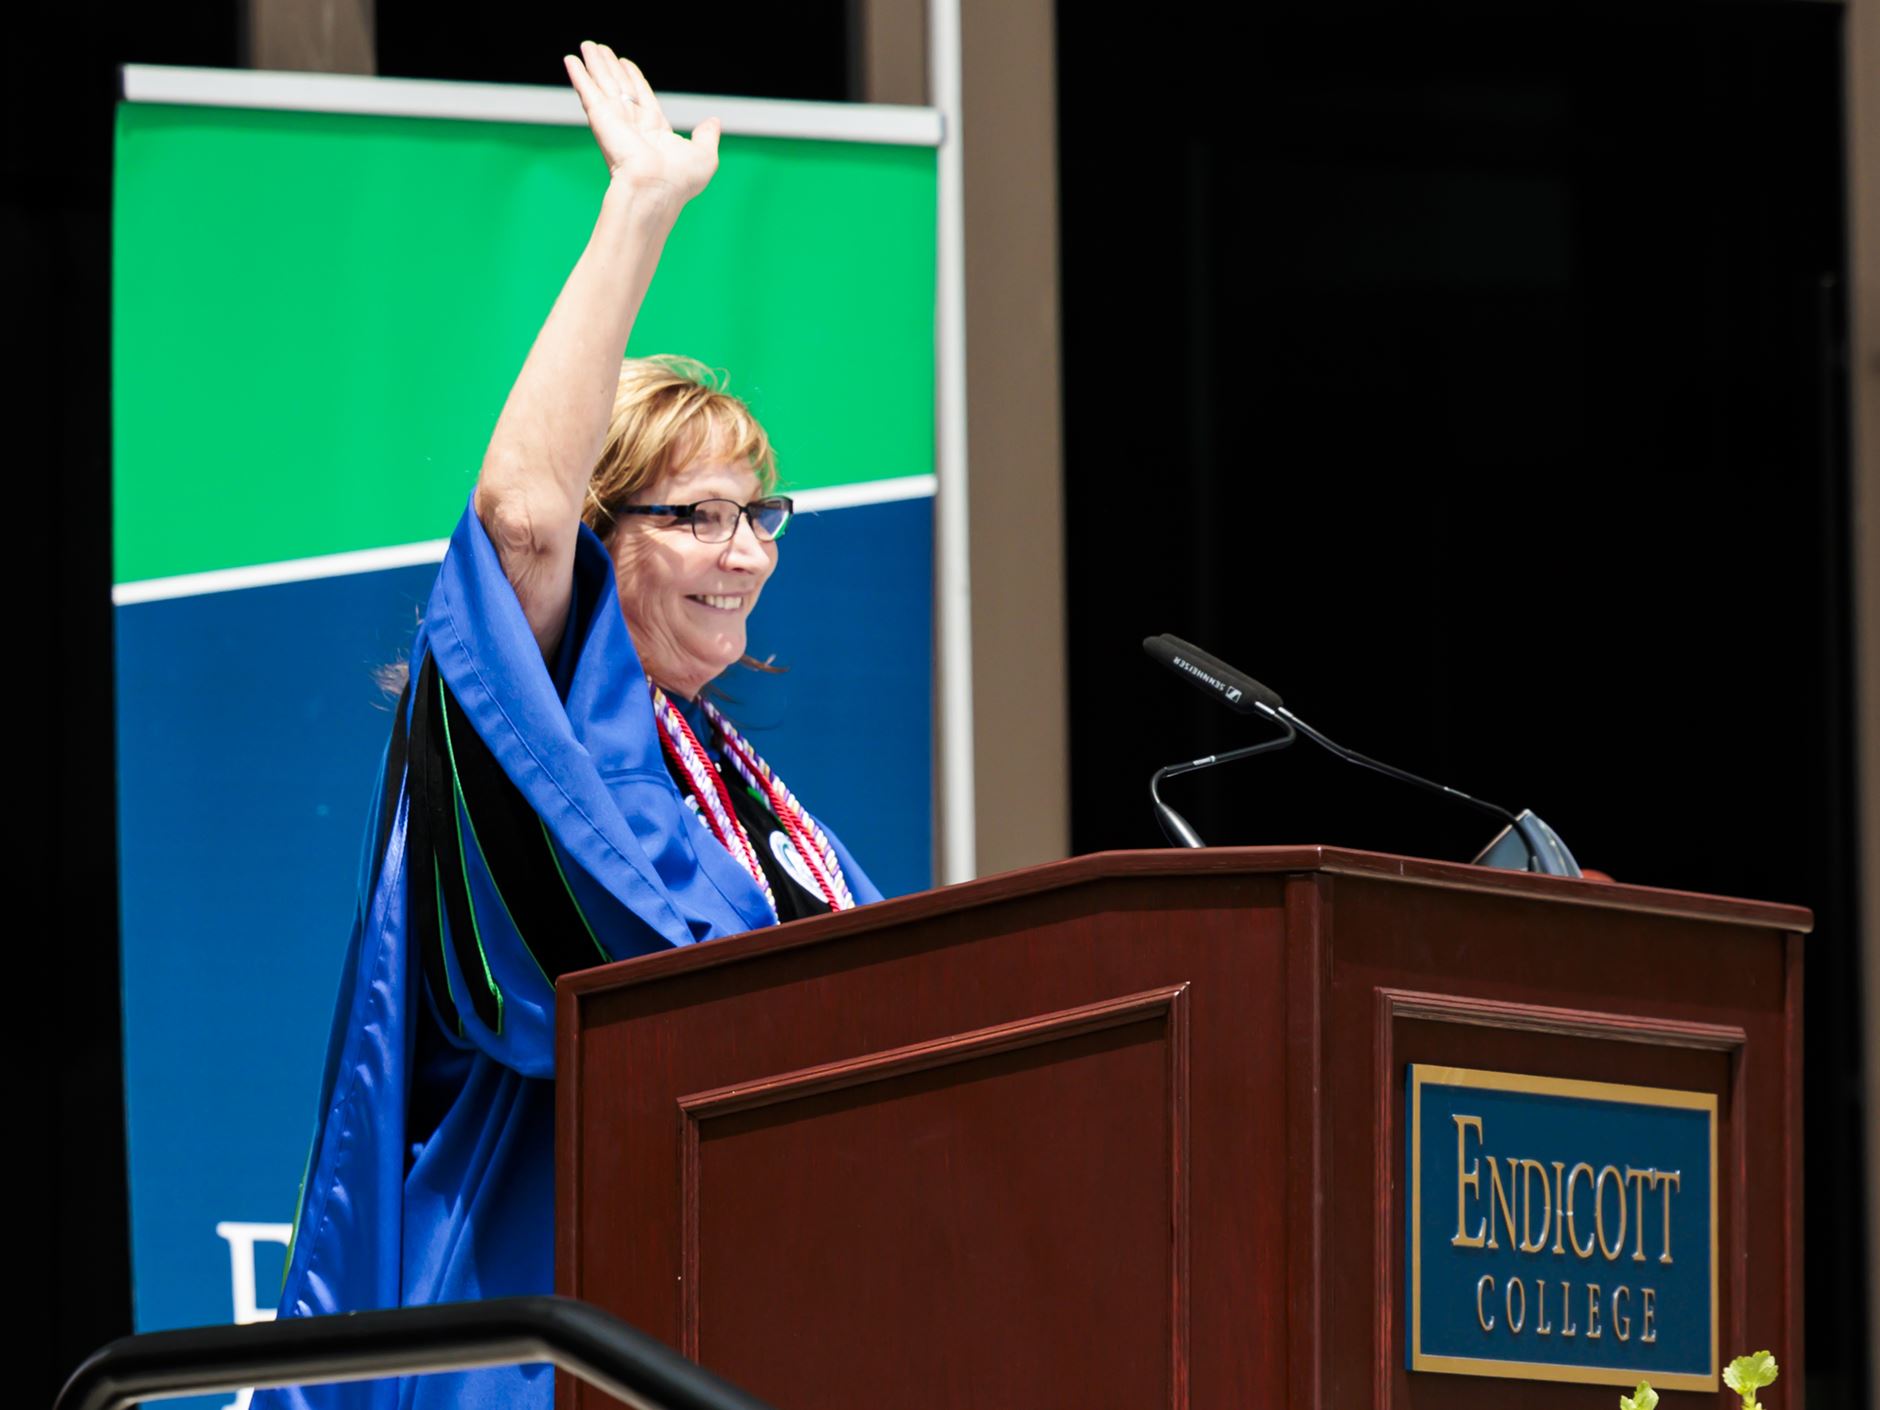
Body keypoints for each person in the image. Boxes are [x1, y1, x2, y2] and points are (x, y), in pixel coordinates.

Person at [254, 43, 881, 1410]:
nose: (744, 553)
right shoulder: (566, 717)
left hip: (738, 1318)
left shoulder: (760, 799)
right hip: (547, 1328)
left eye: (757, 514)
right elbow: (522, 515)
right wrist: (638, 209)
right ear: (609, 538)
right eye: (695, 516)